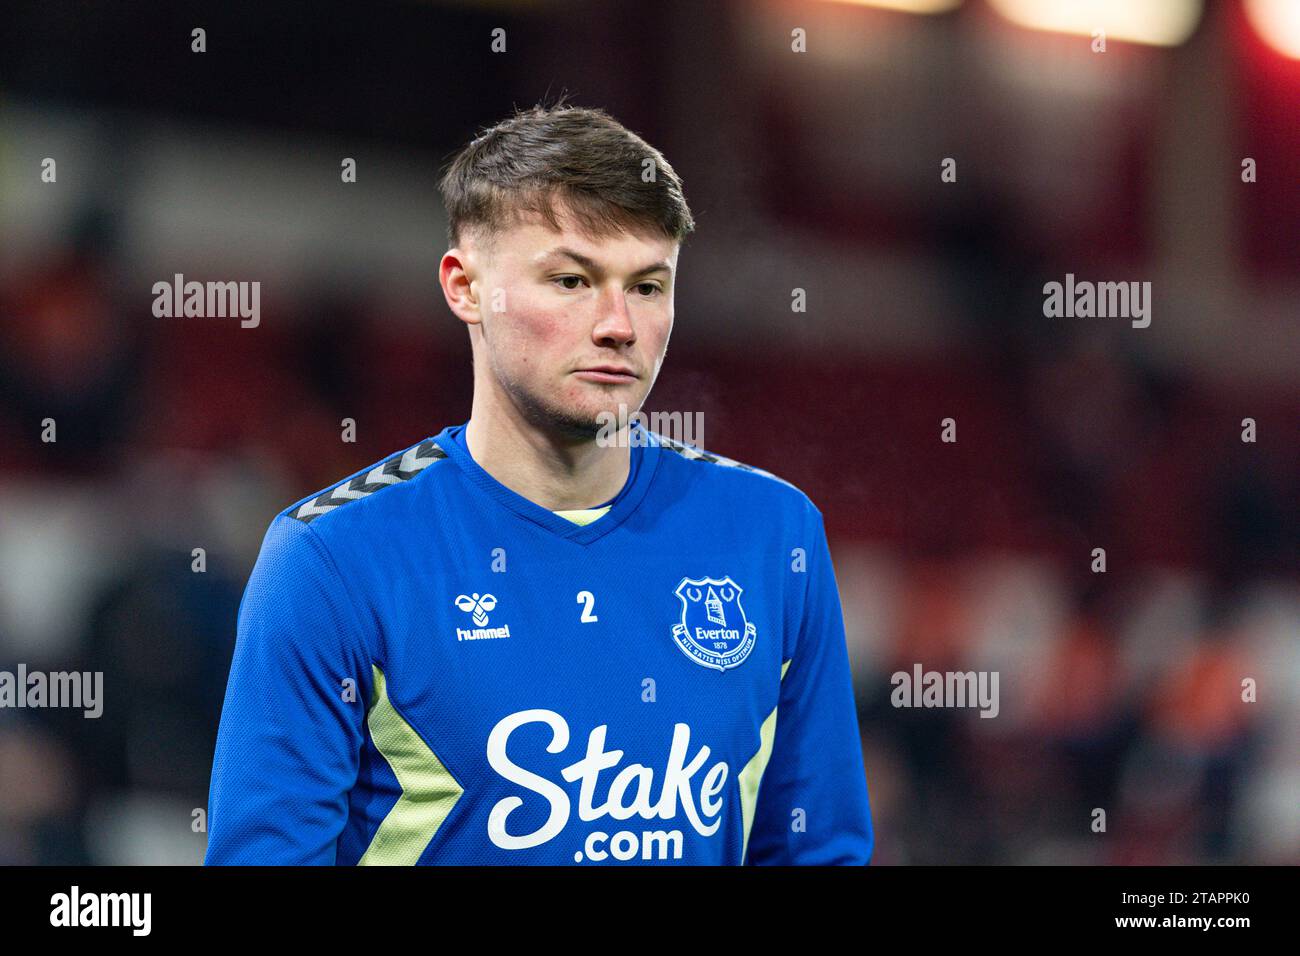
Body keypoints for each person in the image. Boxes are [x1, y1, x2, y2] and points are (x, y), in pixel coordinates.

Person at [204, 101, 873, 865]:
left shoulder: (772, 536)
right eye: (571, 279)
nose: (618, 324)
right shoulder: (332, 558)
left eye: (648, 287)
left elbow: (816, 851)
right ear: (464, 287)